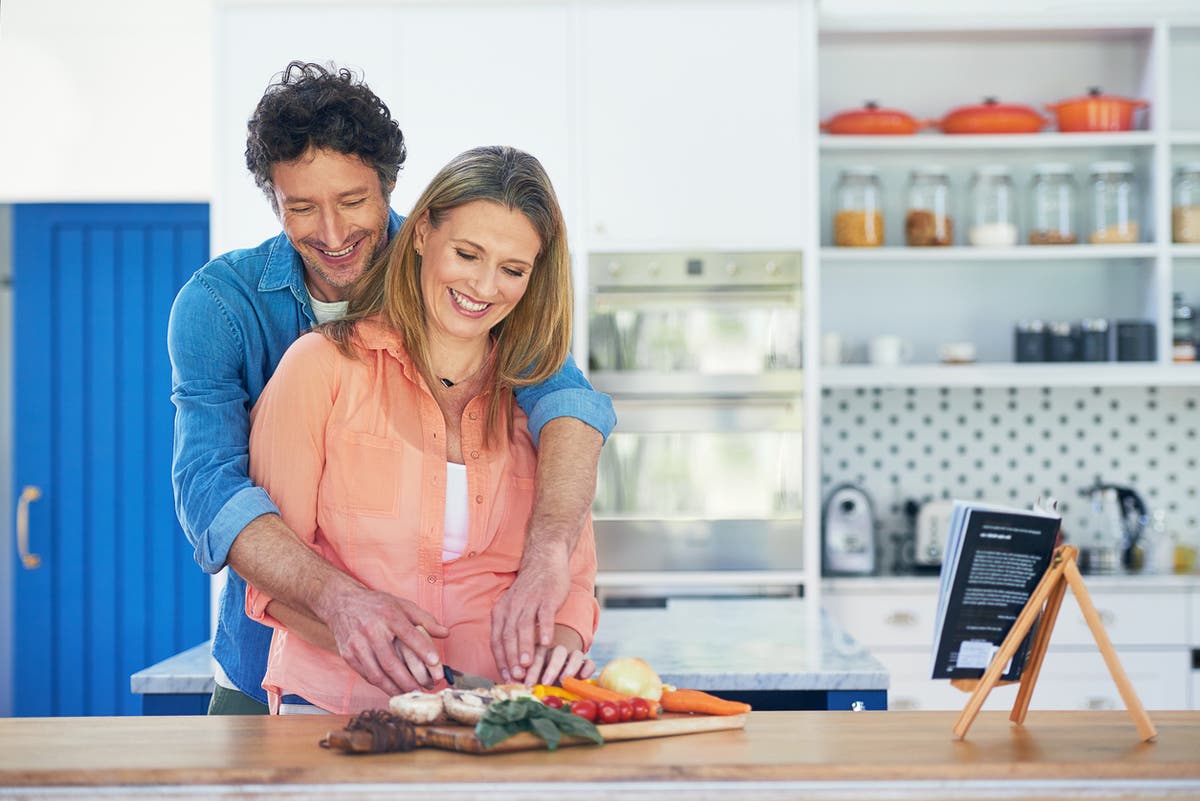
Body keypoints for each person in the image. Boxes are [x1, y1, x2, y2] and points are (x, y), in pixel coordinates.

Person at [168, 62, 614, 714]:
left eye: (352, 201)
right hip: (279, 660)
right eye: (301, 207)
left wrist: (549, 560)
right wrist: (337, 598)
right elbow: (210, 487)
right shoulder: (223, 306)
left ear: (392, 188)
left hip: (463, 705)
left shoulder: (455, 262)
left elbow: (566, 398)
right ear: (273, 201)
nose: (333, 232)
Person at [245, 145, 598, 714]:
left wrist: (558, 651)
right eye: (467, 253)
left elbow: (573, 584)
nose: (484, 286)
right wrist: (368, 639)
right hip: (341, 714)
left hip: (500, 721)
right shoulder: (320, 368)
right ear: (419, 233)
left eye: (513, 269)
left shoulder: (546, 415)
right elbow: (270, 575)